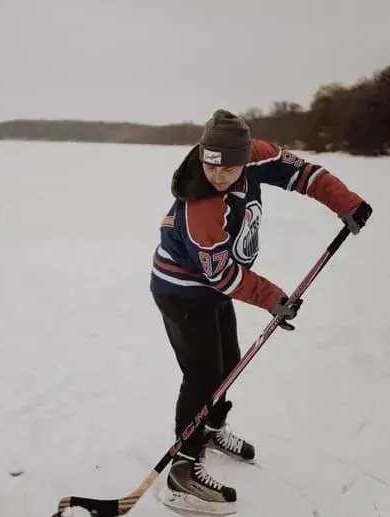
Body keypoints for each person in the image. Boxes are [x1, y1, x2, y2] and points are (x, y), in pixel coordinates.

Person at [150, 109, 372, 512]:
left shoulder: (258, 155)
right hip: (181, 290)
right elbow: (224, 278)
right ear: (202, 155)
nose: (219, 176)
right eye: (211, 166)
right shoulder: (201, 207)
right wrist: (271, 297)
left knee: (228, 363)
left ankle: (212, 426)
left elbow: (304, 174)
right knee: (202, 374)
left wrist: (346, 202)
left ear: (246, 156)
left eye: (229, 168)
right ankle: (183, 466)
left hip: (212, 287)